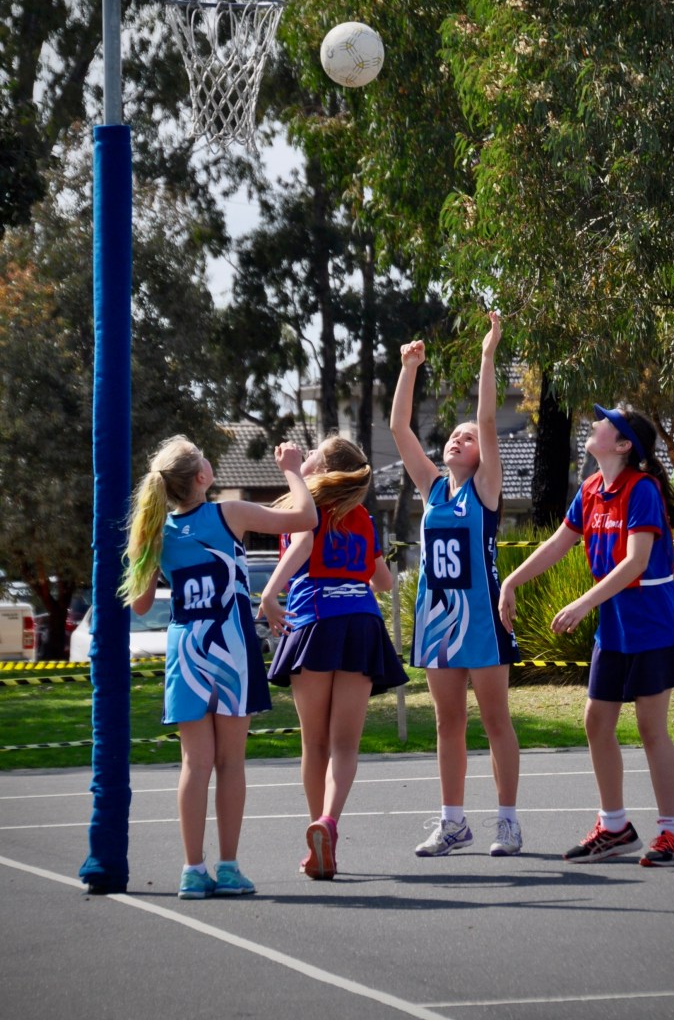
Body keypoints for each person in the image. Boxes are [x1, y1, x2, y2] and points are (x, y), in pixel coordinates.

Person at [499, 404, 674, 867]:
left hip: (651, 618)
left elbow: (636, 562)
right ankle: (614, 826)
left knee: (652, 728)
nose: (595, 424)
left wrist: (582, 602)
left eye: (606, 421)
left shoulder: (643, 490)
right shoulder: (592, 488)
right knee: (597, 722)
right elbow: (558, 543)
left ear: (623, 444)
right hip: (614, 621)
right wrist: (512, 582)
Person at [119, 435, 317, 900]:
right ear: (203, 477)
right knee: (230, 763)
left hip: (186, 650)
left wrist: (141, 551)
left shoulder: (158, 531)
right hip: (230, 646)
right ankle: (228, 868)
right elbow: (307, 518)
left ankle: (193, 869)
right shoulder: (229, 513)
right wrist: (292, 470)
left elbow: (143, 604)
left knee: (195, 763)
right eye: (206, 458)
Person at [390, 311, 523, 858]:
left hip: (481, 618)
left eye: (464, 438)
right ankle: (452, 823)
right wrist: (409, 368)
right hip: (437, 616)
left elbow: (488, 422)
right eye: (452, 436)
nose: (458, 439)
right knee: (448, 723)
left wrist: (489, 354)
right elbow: (400, 429)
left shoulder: (484, 490)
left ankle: (508, 821)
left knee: (495, 720)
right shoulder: (432, 490)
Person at [259, 436, 408, 881]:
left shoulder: (304, 509)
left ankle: (315, 833)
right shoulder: (362, 517)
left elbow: (303, 545)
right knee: (345, 745)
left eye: (312, 456)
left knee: (315, 743)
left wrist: (269, 592)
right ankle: (328, 822)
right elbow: (383, 581)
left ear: (323, 469)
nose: (303, 459)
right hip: (361, 622)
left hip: (315, 620)